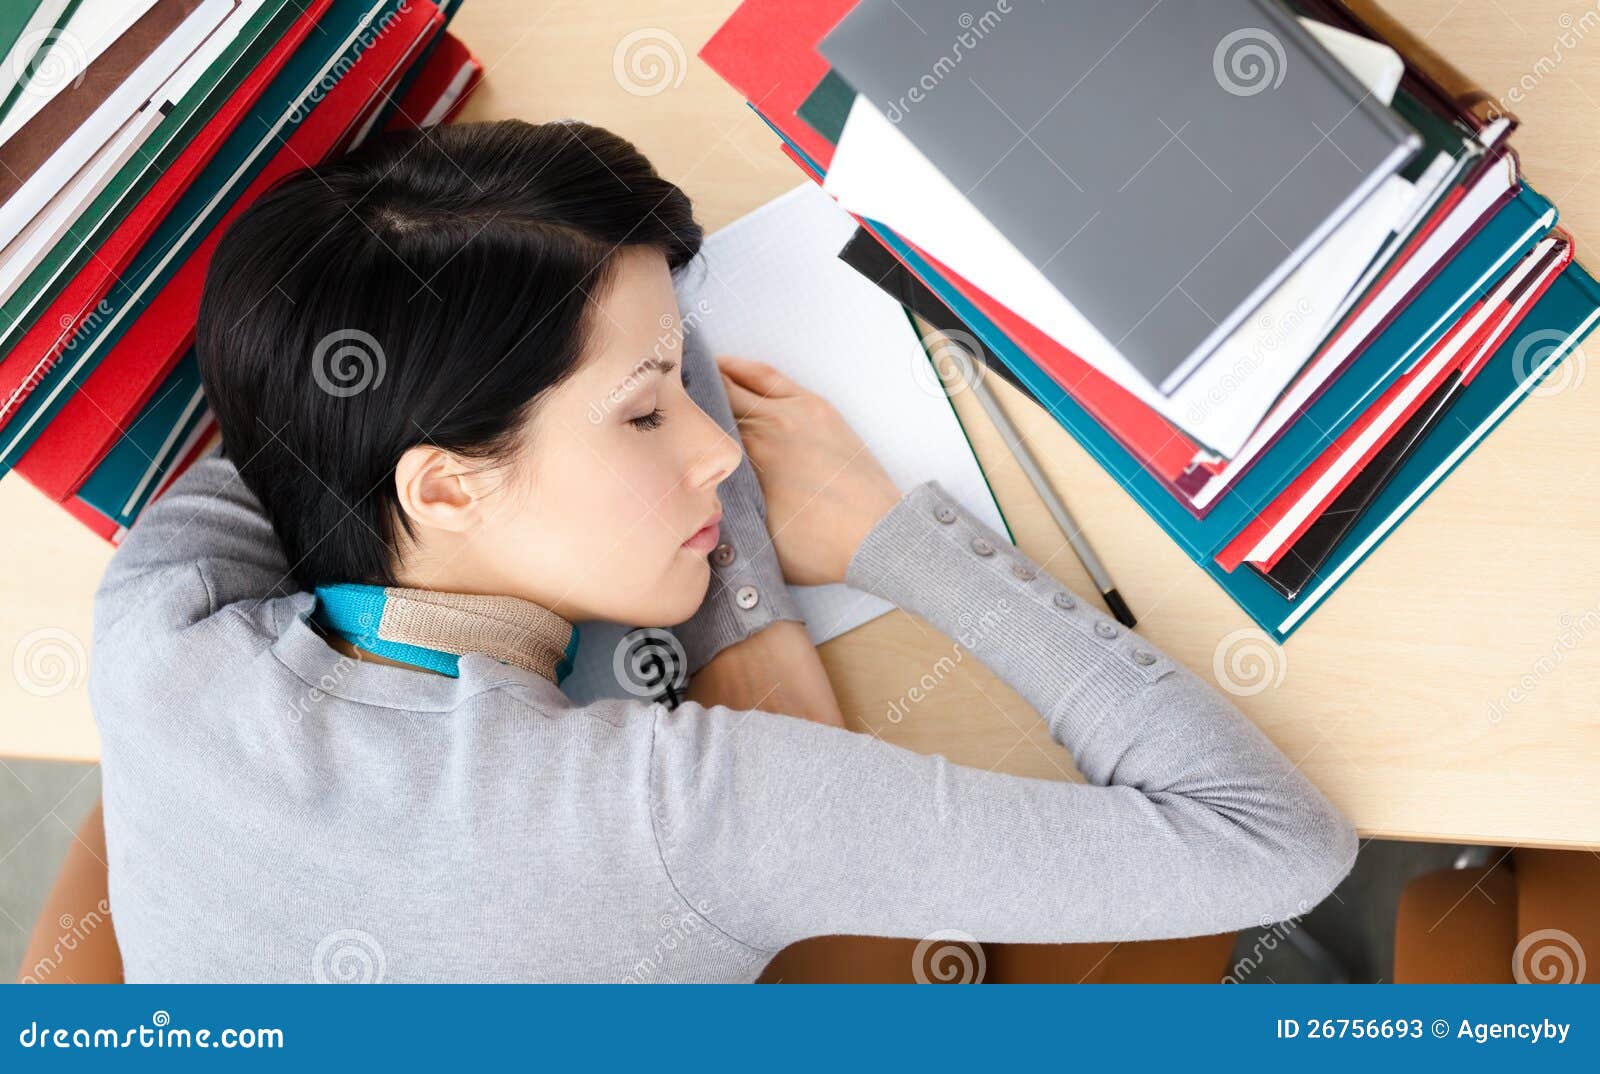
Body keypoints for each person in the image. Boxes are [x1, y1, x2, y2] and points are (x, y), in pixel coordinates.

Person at [86, 119, 1356, 983]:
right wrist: (892, 540)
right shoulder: (677, 814)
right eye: (645, 414)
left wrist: (727, 588)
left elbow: (310, 393)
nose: (720, 453)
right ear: (446, 487)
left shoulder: (156, 625)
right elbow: (1269, 841)